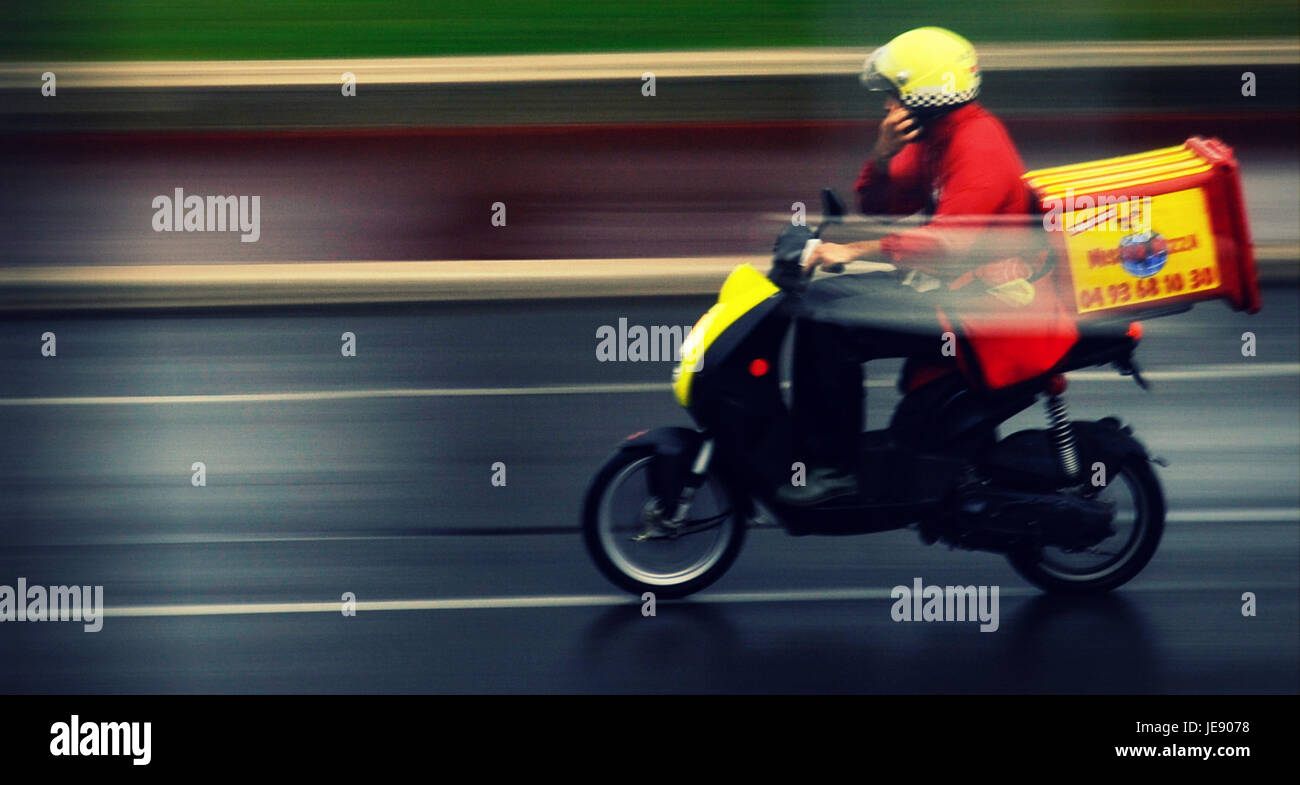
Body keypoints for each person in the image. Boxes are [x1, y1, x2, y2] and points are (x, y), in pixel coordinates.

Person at [776, 26, 1077, 507]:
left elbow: (946, 245)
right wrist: (881, 154)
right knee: (819, 304)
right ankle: (820, 453)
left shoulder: (978, 147)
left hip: (989, 311)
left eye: (894, 95)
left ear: (924, 95)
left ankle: (835, 471)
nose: (887, 104)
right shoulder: (939, 137)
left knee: (830, 323)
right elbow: (881, 204)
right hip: (958, 291)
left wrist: (849, 253)